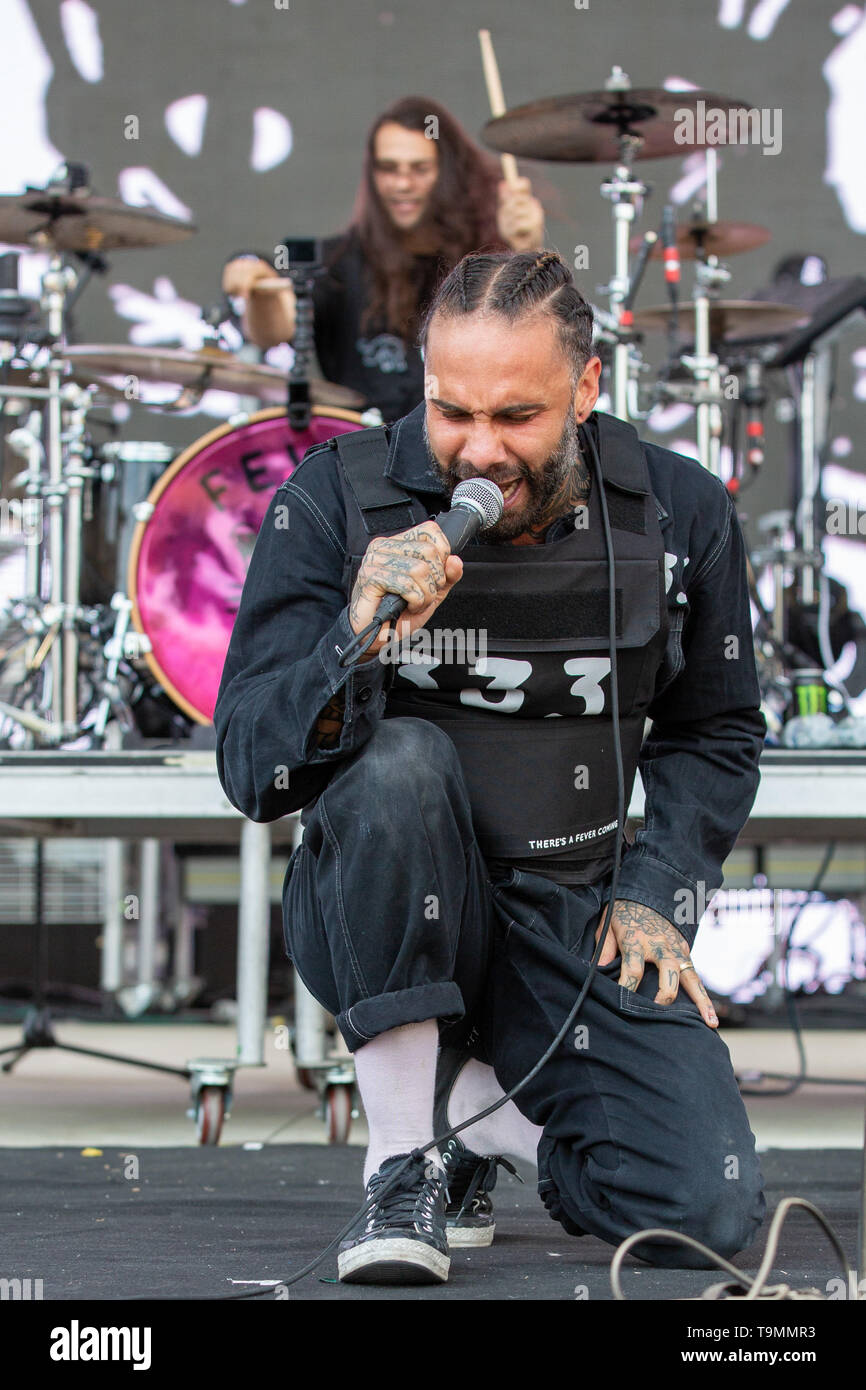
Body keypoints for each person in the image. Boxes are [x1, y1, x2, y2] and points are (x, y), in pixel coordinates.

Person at [214, 249, 767, 1287]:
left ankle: (470, 1114)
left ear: (587, 389)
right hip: (383, 910)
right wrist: (350, 639)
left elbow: (718, 727)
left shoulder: (676, 508)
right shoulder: (334, 500)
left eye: (516, 416)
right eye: (450, 411)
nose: (478, 450)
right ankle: (397, 1162)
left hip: (573, 916)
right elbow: (252, 770)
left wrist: (657, 889)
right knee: (399, 761)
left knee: (701, 1206)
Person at [222, 96, 545, 421]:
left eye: (419, 169)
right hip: (363, 449)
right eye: (389, 169)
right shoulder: (338, 263)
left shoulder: (484, 261)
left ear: (447, 172)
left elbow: (531, 353)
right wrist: (259, 287)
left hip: (469, 447)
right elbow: (275, 328)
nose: (403, 184)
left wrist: (524, 252)